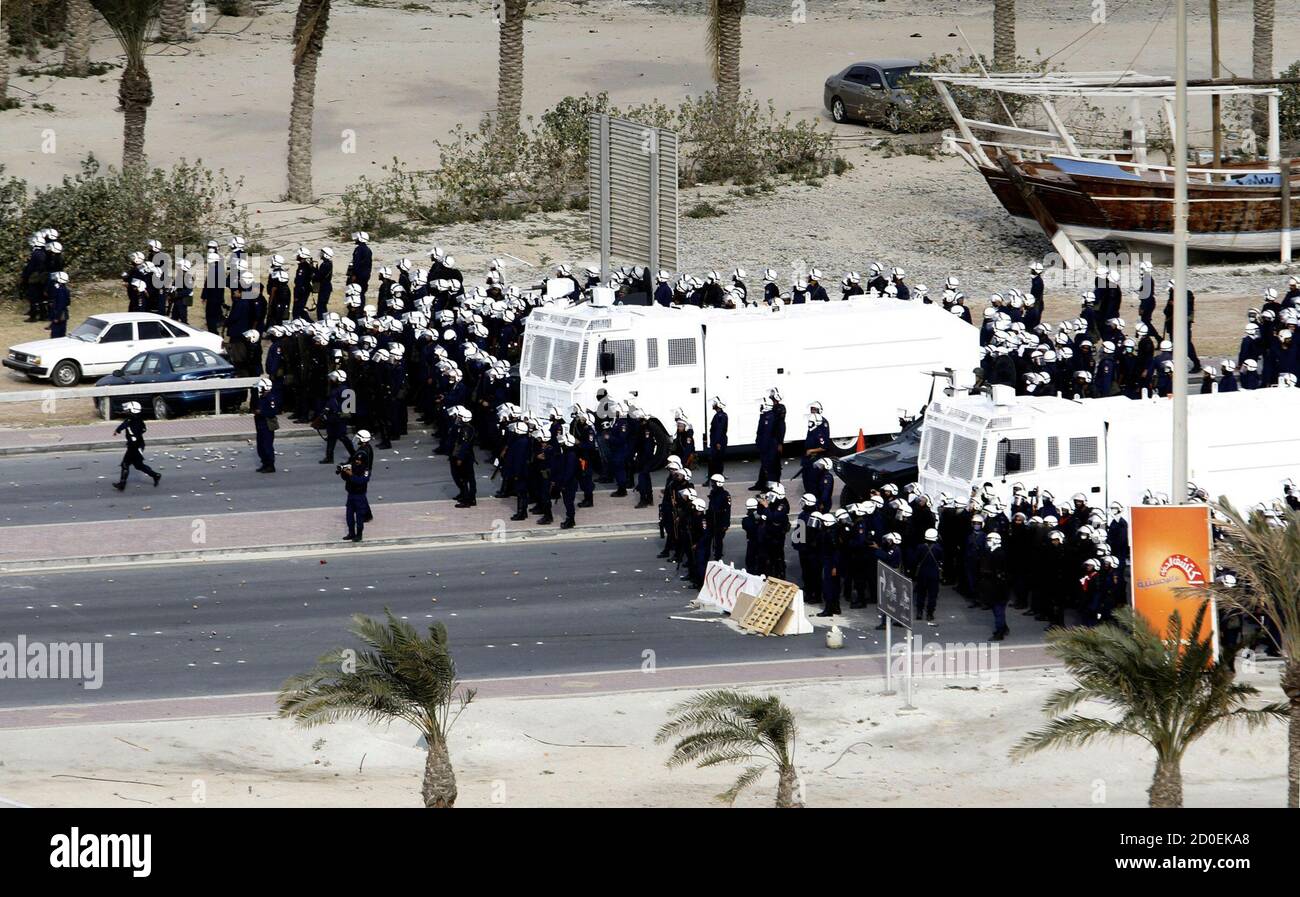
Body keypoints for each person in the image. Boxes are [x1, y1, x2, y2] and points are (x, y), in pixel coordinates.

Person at [112, 402, 161, 491]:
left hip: (136, 446)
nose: (126, 411)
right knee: (138, 465)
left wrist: (133, 439)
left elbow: (139, 431)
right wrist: (118, 430)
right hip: (134, 445)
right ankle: (155, 475)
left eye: (128, 410)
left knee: (125, 464)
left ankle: (122, 484)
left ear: (132, 411)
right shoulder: (131, 419)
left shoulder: (136, 421)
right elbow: (126, 425)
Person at [909, 527, 943, 623]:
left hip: (922, 573)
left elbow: (915, 559)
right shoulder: (938, 548)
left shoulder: (920, 547)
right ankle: (930, 613)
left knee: (921, 594)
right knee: (932, 595)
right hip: (934, 574)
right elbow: (941, 560)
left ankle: (919, 612)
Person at [981, 531, 1010, 640]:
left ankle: (1000, 632)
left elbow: (999, 572)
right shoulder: (992, 552)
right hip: (995, 587)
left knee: (998, 610)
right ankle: (1004, 628)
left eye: (989, 540)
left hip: (999, 588)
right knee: (998, 610)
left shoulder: (999, 554)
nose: (987, 542)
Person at [339, 452, 371, 542]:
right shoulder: (352, 466)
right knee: (349, 516)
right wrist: (343, 472)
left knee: (359, 517)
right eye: (356, 459)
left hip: (359, 496)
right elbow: (345, 478)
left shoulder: (366, 470)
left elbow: (361, 481)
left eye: (359, 460)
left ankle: (359, 534)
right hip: (351, 494)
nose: (357, 461)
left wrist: (351, 474)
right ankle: (351, 533)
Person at [252, 377, 279, 473]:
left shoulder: (271, 398)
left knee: (267, 446)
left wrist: (261, 412)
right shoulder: (261, 397)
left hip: (267, 425)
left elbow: (273, 412)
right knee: (260, 446)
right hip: (260, 425)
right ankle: (264, 463)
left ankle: (270, 465)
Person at [706, 474, 731, 560]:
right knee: (708, 537)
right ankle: (707, 553)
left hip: (720, 520)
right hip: (711, 518)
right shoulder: (713, 492)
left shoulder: (725, 495)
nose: (712, 484)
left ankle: (718, 556)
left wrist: (726, 524)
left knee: (718, 539)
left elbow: (728, 510)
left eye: (713, 483)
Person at [707, 397, 728, 477]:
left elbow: (719, 430)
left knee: (715, 460)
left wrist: (718, 442)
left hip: (718, 442)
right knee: (717, 460)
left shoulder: (720, 416)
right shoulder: (720, 415)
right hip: (717, 441)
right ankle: (718, 476)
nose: (713, 404)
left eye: (715, 403)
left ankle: (714, 477)